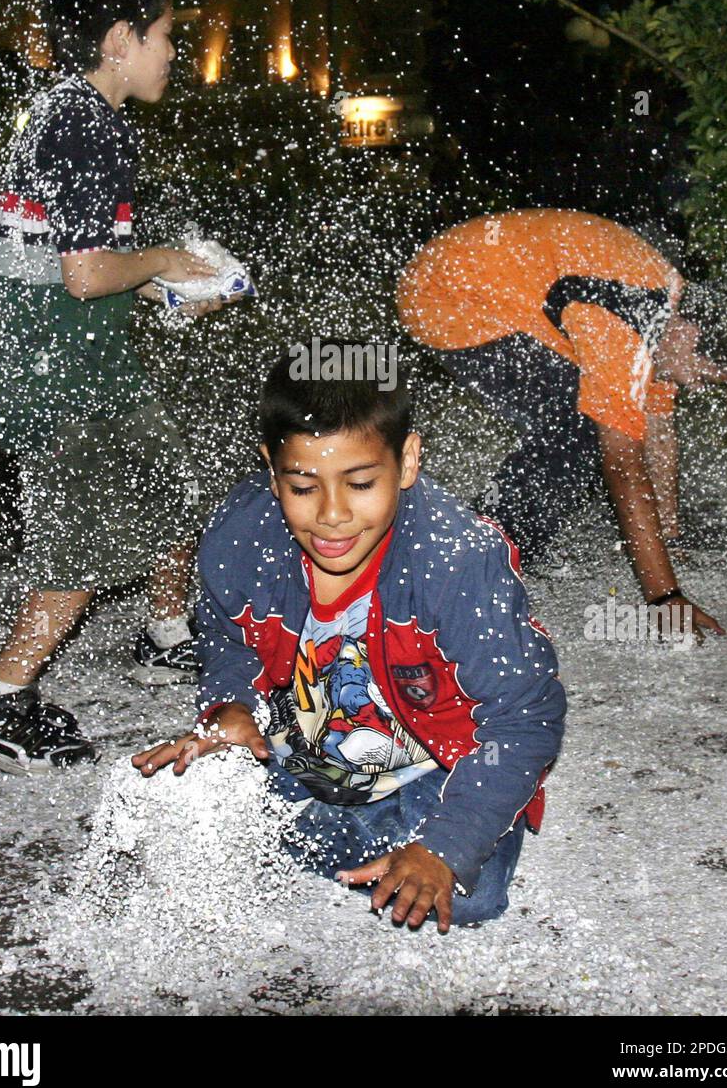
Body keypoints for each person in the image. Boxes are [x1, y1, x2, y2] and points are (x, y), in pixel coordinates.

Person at [132, 344, 566, 930]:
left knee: (469, 894)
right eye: (303, 487)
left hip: (433, 757)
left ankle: (360, 834)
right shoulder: (239, 537)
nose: (332, 515)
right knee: (192, 790)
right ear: (271, 469)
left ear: (407, 462)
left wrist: (445, 847)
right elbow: (226, 639)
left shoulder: (457, 562)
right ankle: (319, 823)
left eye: (360, 483)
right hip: (311, 737)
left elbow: (523, 717)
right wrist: (232, 705)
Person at [0, 0, 242, 775]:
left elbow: (85, 265)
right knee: (81, 541)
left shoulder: (74, 113)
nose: (174, 53)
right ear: (121, 39)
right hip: (53, 364)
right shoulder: (84, 126)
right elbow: (86, 276)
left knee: (165, 480)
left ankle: (166, 631)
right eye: (166, 35)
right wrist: (164, 262)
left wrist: (179, 292)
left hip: (69, 348)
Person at [396, 209, 727, 638]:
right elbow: (625, 468)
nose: (696, 386)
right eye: (703, 375)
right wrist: (665, 596)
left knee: (584, 428)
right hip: (449, 297)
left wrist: (668, 531)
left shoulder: (667, 315)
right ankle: (470, 568)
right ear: (689, 334)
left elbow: (658, 434)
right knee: (580, 433)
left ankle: (482, 552)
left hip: (476, 275)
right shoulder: (627, 324)